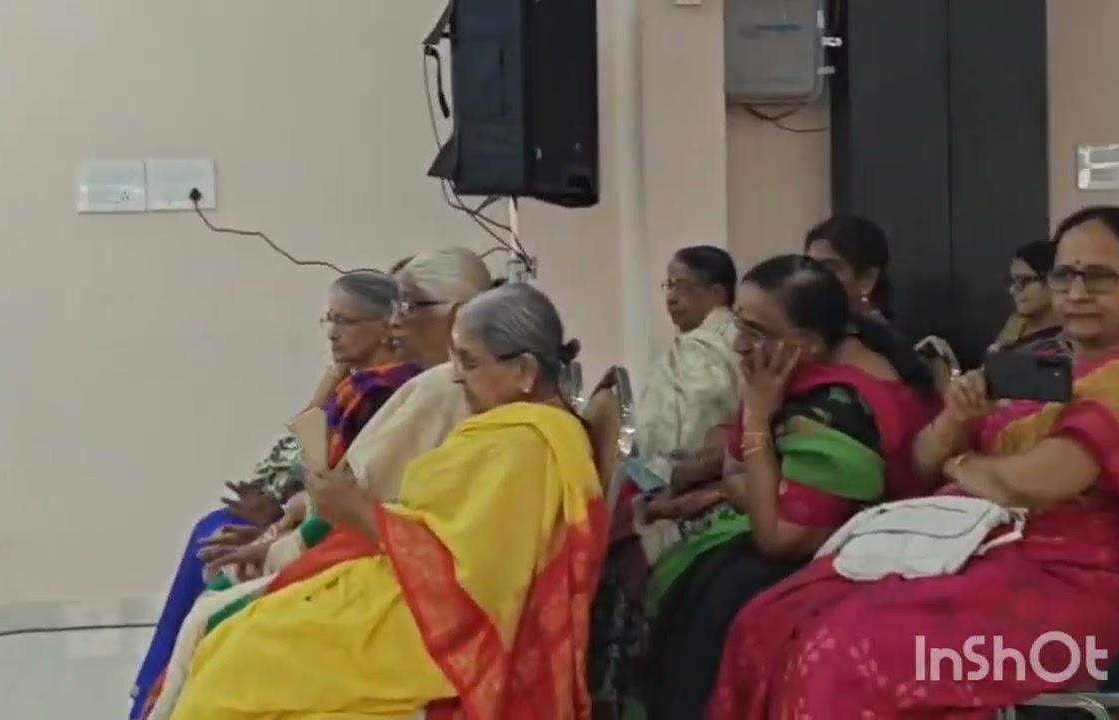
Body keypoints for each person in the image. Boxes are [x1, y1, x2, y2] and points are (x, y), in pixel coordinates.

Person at [709, 205, 1119, 719]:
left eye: (1098, 277)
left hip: (1067, 598)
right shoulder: (1039, 360)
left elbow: (1027, 484)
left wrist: (960, 460)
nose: (1075, 293)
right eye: (1064, 274)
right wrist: (955, 422)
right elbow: (920, 465)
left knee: (841, 655)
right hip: (969, 555)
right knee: (768, 622)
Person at [154, 283, 608, 719]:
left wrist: (358, 513)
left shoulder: (525, 446)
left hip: (430, 629)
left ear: (524, 372)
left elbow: (475, 580)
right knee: (233, 640)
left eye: (468, 363)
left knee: (240, 663)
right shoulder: (513, 429)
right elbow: (448, 528)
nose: (456, 379)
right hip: (401, 588)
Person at [138, 247, 494, 719]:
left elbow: (363, 498)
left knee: (223, 625)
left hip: (395, 578)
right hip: (374, 554)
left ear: (453, 313)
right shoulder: (412, 386)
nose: (397, 322)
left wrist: (276, 541)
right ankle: (146, 699)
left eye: (407, 307)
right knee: (215, 574)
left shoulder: (433, 390)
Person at [635, 255, 937, 719]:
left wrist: (756, 416)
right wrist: (731, 486)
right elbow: (748, 477)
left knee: (709, 604)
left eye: (755, 332)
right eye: (739, 323)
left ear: (808, 345)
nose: (739, 344)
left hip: (833, 565)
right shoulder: (807, 372)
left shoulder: (839, 407)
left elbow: (778, 534)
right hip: (794, 536)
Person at [589, 245, 744, 717]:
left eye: (683, 286)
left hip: (708, 486)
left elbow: (675, 442)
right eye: (668, 286)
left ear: (717, 293)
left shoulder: (701, 354)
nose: (672, 298)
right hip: (703, 477)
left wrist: (655, 482)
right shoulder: (724, 345)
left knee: (616, 547)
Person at [804, 215, 895, 320]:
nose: (812, 277)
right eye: (809, 266)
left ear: (867, 279)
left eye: (829, 268)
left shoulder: (879, 335)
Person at [991, 239, 1062, 353]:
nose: (1012, 290)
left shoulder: (1070, 339)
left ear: (1053, 280)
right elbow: (993, 358)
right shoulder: (1016, 323)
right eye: (1013, 281)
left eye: (1024, 280)